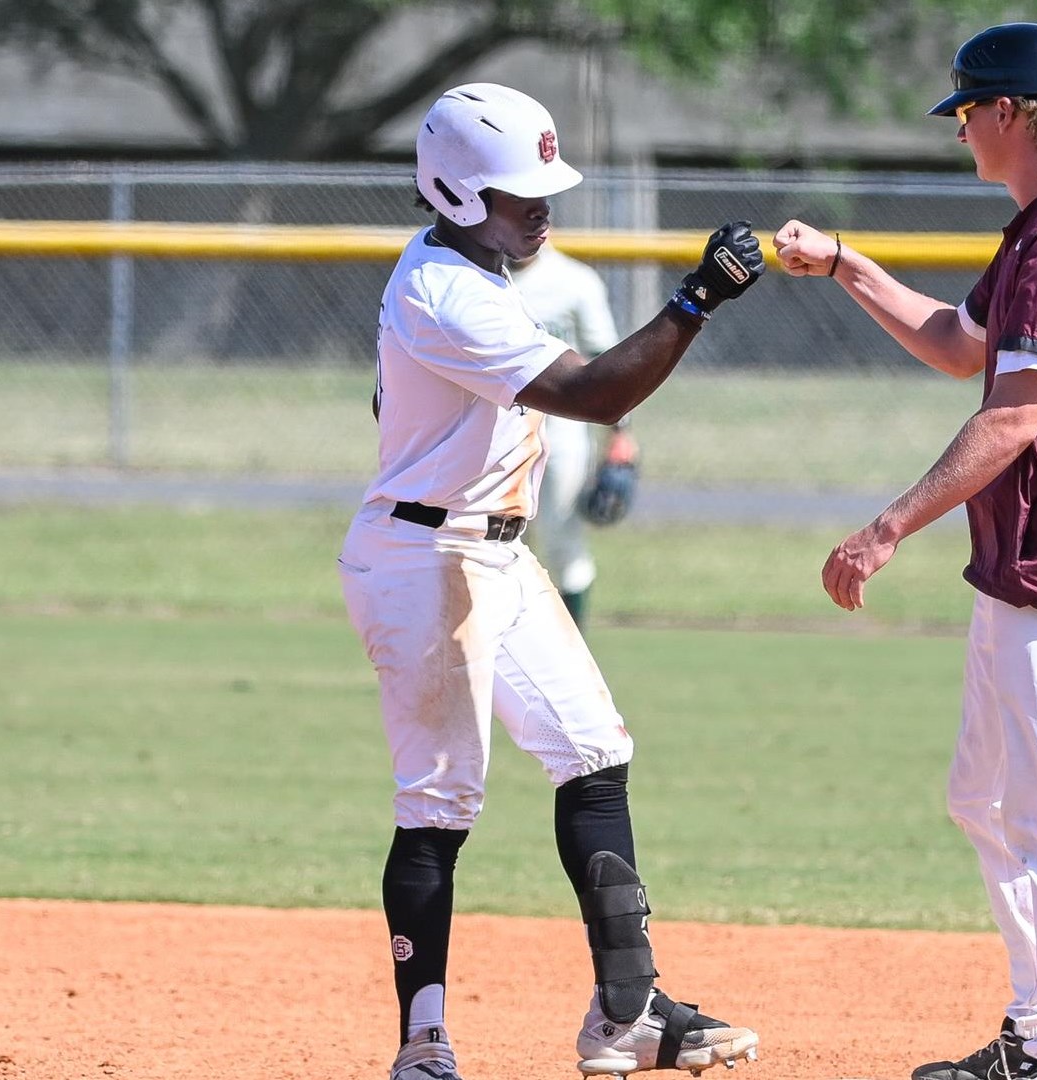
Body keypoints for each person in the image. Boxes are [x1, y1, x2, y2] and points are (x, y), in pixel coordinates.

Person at [339, 83, 766, 1080]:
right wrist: (693, 298)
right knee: (440, 801)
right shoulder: (442, 289)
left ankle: (629, 1011)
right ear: (450, 192)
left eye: (543, 188)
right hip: (423, 560)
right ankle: (423, 1045)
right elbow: (596, 392)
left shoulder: (476, 274)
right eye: (516, 192)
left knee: (593, 751)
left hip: (491, 550)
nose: (541, 207)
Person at [773, 23, 1037, 1080]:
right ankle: (1035, 1029)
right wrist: (845, 263)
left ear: (1009, 116)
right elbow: (959, 348)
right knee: (982, 798)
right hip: (1020, 559)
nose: (959, 131)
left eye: (966, 111)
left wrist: (885, 526)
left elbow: (1012, 417)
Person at [508, 244, 634, 631]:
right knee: (501, 547)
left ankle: (572, 647)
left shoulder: (575, 281)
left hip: (562, 432)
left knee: (563, 542)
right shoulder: (479, 275)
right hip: (498, 434)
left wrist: (621, 434)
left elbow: (605, 362)